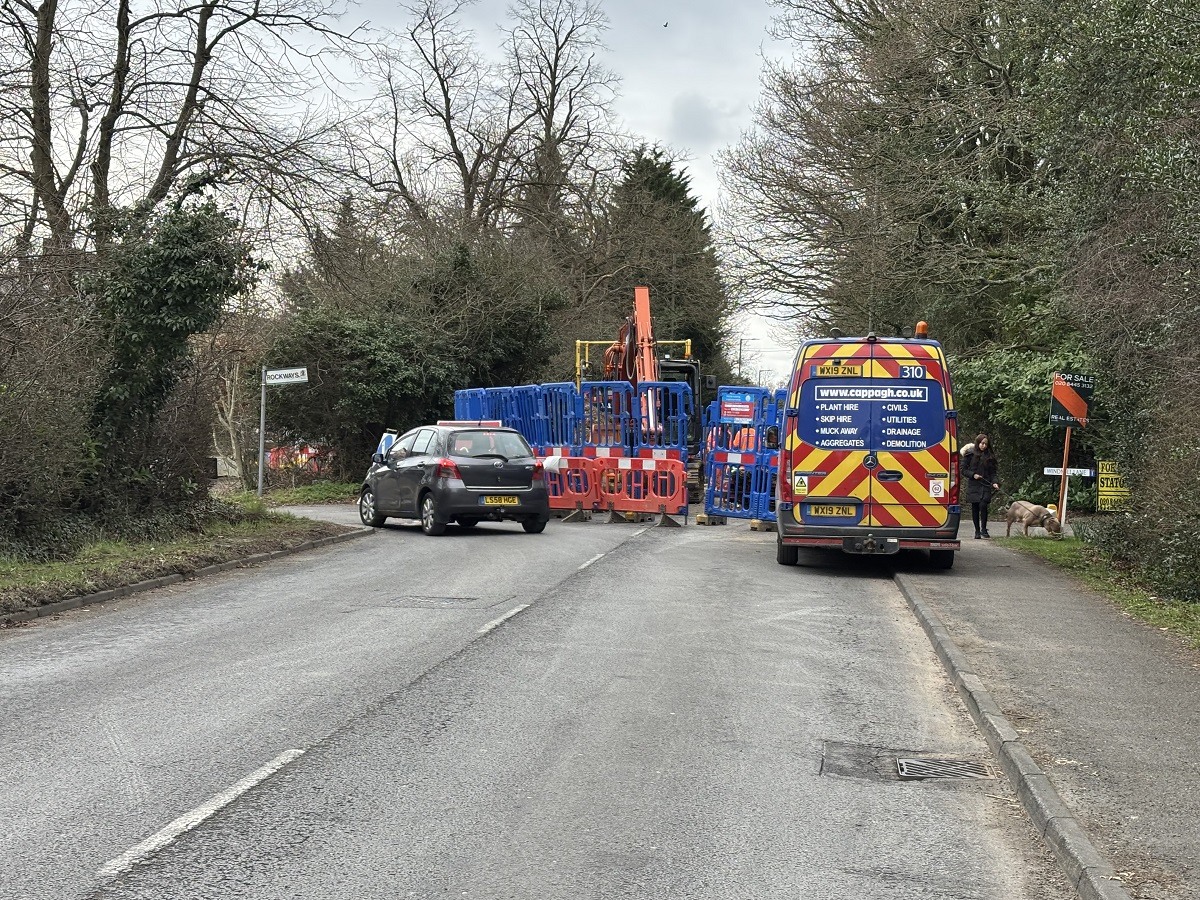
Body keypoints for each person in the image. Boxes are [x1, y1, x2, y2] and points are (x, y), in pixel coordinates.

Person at [962, 433, 1000, 539]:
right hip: (974, 485)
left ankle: (984, 529)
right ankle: (977, 531)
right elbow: (963, 470)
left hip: (985, 484)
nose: (983, 446)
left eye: (986, 444)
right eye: (982, 443)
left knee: (983, 505)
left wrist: (995, 482)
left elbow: (993, 473)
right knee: (975, 507)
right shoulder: (969, 454)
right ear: (978, 443)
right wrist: (973, 475)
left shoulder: (990, 457)